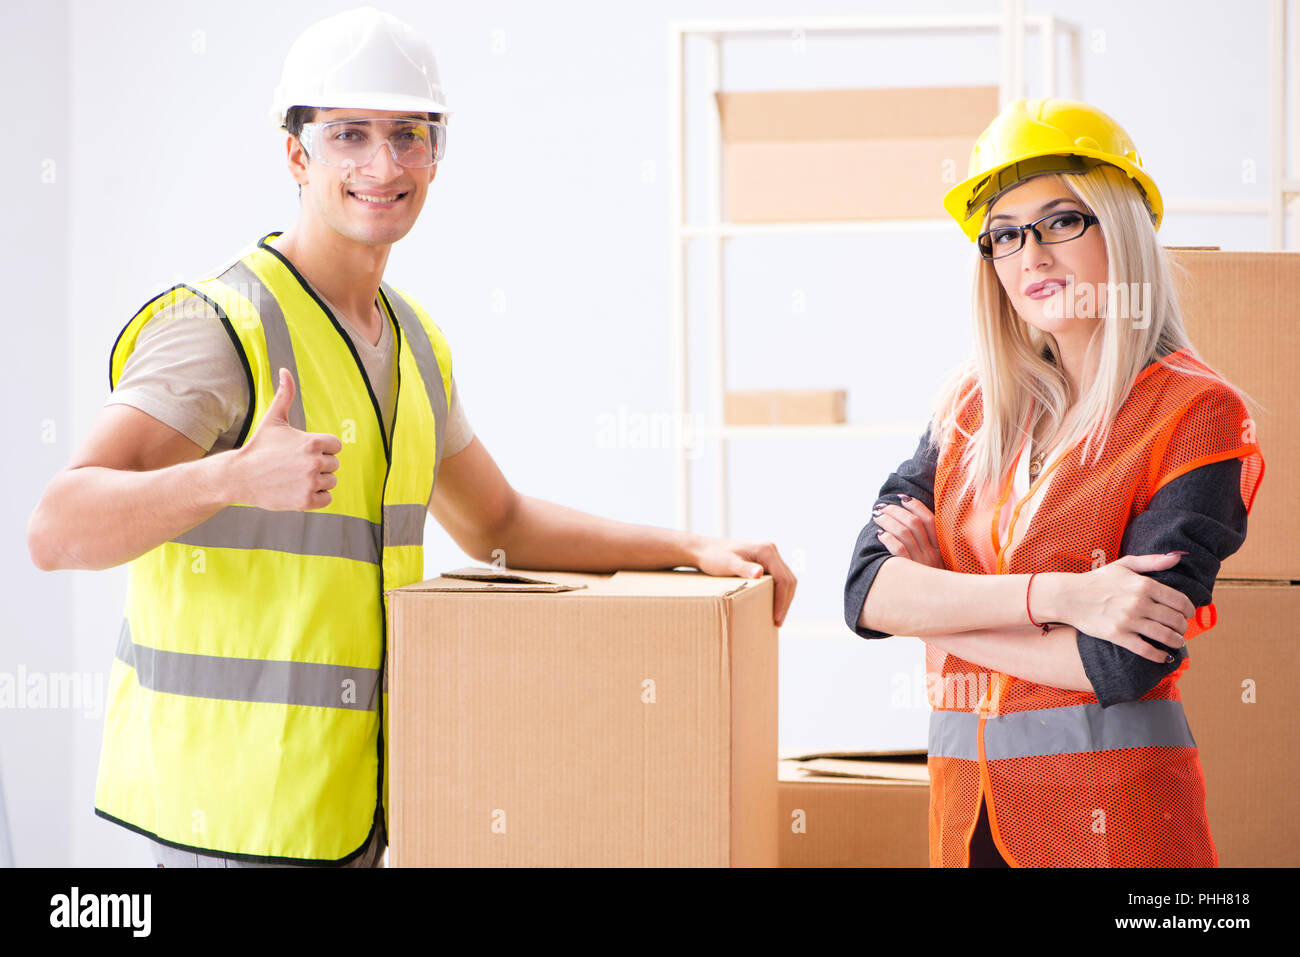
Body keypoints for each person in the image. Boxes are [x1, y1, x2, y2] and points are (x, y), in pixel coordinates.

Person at [26, 6, 796, 868]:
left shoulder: (414, 342)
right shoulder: (221, 327)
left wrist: (693, 545)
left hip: (362, 815)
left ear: (437, 154)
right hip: (228, 825)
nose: (383, 164)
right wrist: (231, 478)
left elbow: (499, 526)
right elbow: (56, 528)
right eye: (349, 134)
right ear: (296, 153)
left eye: (409, 134)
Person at [843, 98, 1264, 868]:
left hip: (1117, 831)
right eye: (1004, 235)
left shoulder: (1196, 413)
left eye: (1061, 221)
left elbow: (1121, 661)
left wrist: (934, 601)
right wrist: (1063, 597)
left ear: (1123, 229)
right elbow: (867, 594)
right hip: (966, 824)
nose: (1030, 254)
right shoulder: (969, 406)